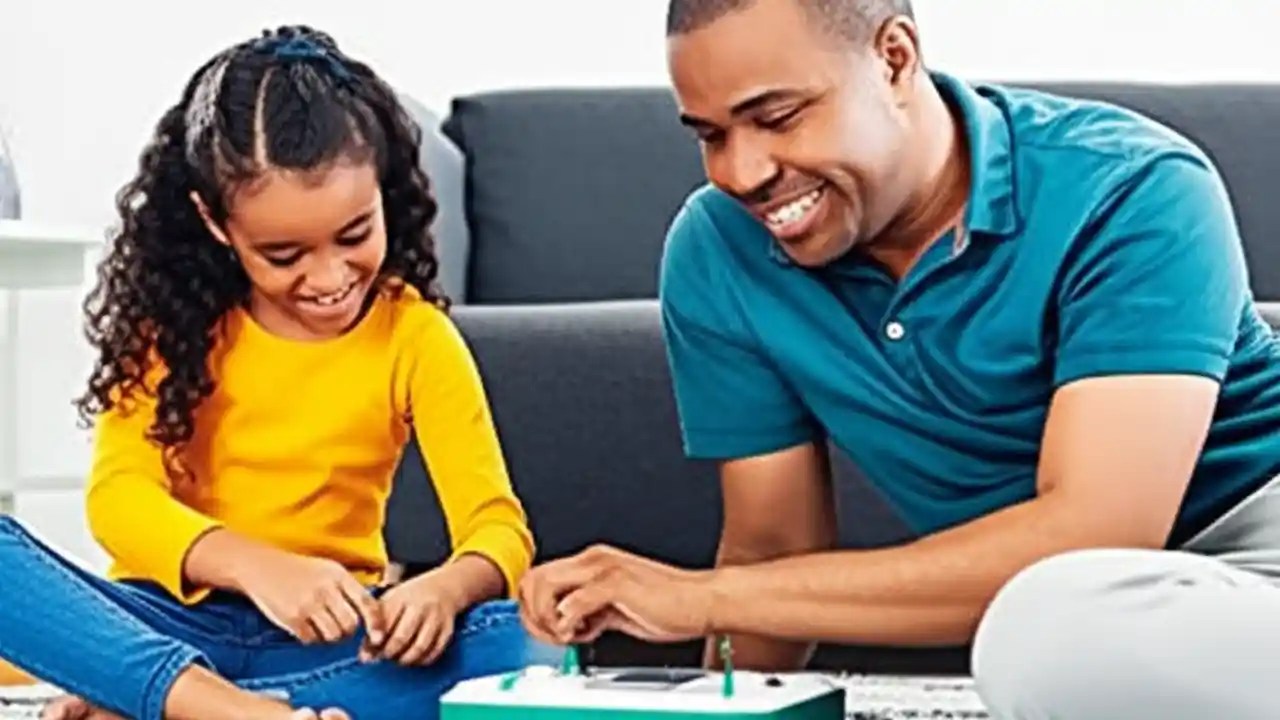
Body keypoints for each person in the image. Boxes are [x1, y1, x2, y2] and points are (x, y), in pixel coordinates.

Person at [518, 1, 1280, 718]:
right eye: (710, 135)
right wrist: (720, 697)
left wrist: (702, 596)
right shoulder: (719, 252)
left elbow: (1098, 530)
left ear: (893, 58)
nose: (742, 172)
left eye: (777, 118)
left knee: (1045, 633)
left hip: (1252, 554)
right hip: (1093, 618)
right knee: (1052, 637)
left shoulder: (1132, 187)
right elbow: (772, 550)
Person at [0, 25, 558, 720]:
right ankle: (216, 705)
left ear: (382, 189)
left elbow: (498, 528)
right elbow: (119, 500)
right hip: (170, 625)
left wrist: (444, 592)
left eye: (354, 235)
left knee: (531, 642)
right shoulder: (174, 327)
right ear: (215, 222)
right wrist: (258, 567)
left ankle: (155, 701)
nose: (329, 277)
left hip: (331, 645)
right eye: (283, 253)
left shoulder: (417, 338)